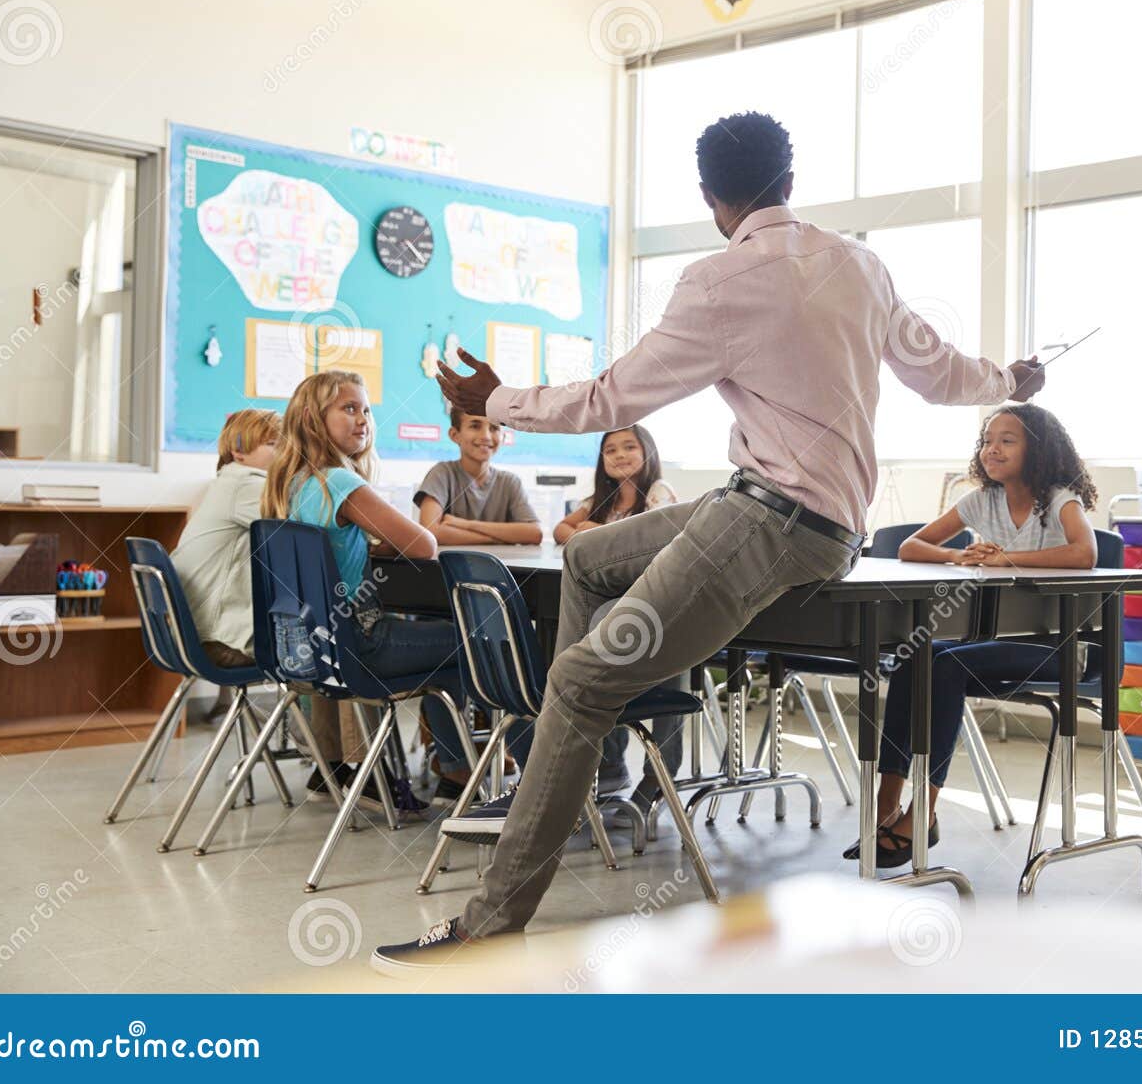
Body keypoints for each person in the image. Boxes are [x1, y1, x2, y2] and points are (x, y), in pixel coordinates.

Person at [372, 111, 1045, 972]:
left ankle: (489, 922)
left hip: (773, 520)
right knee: (587, 556)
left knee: (576, 679)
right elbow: (942, 371)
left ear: (710, 199)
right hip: (810, 516)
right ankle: (600, 769)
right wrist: (1012, 380)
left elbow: (610, 401)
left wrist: (498, 398)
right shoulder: (861, 266)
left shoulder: (721, 279)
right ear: (790, 181)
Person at [847, 403, 1097, 868]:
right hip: (994, 643)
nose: (992, 449)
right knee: (915, 656)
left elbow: (1084, 553)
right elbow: (910, 546)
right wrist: (959, 558)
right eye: (987, 440)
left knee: (946, 663)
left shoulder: (1060, 498)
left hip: (1055, 647)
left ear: (1036, 450)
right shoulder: (982, 500)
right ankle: (887, 804)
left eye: (1007, 440)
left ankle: (924, 812)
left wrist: (1008, 560)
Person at [262, 370, 473, 809]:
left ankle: (350, 770)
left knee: (444, 656)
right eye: (349, 408)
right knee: (478, 642)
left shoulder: (290, 483)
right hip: (360, 642)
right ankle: (462, 775)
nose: (363, 420)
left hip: (305, 649)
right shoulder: (340, 482)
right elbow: (423, 544)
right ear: (310, 417)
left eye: (367, 410)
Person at [556, 425, 683, 807]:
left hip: (658, 606)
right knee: (587, 651)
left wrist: (593, 532)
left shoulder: (659, 491)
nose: (620, 454)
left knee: (664, 661)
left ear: (648, 450)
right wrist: (590, 528)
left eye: (629, 446)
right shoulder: (600, 499)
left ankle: (661, 774)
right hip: (607, 604)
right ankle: (609, 765)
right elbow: (563, 529)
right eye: (610, 449)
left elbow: (650, 538)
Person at [169, 409, 280, 719]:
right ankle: (322, 751)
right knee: (332, 645)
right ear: (239, 451)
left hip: (191, 637)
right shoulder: (247, 484)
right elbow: (303, 529)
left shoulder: (229, 481)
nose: (284, 453)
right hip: (217, 644)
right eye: (273, 444)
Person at [414, 408, 543, 546]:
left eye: (494, 428)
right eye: (475, 426)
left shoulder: (510, 482)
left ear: (503, 437)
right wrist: (499, 539)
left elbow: (534, 533)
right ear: (454, 435)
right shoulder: (442, 474)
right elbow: (430, 532)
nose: (486, 436)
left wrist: (463, 524)